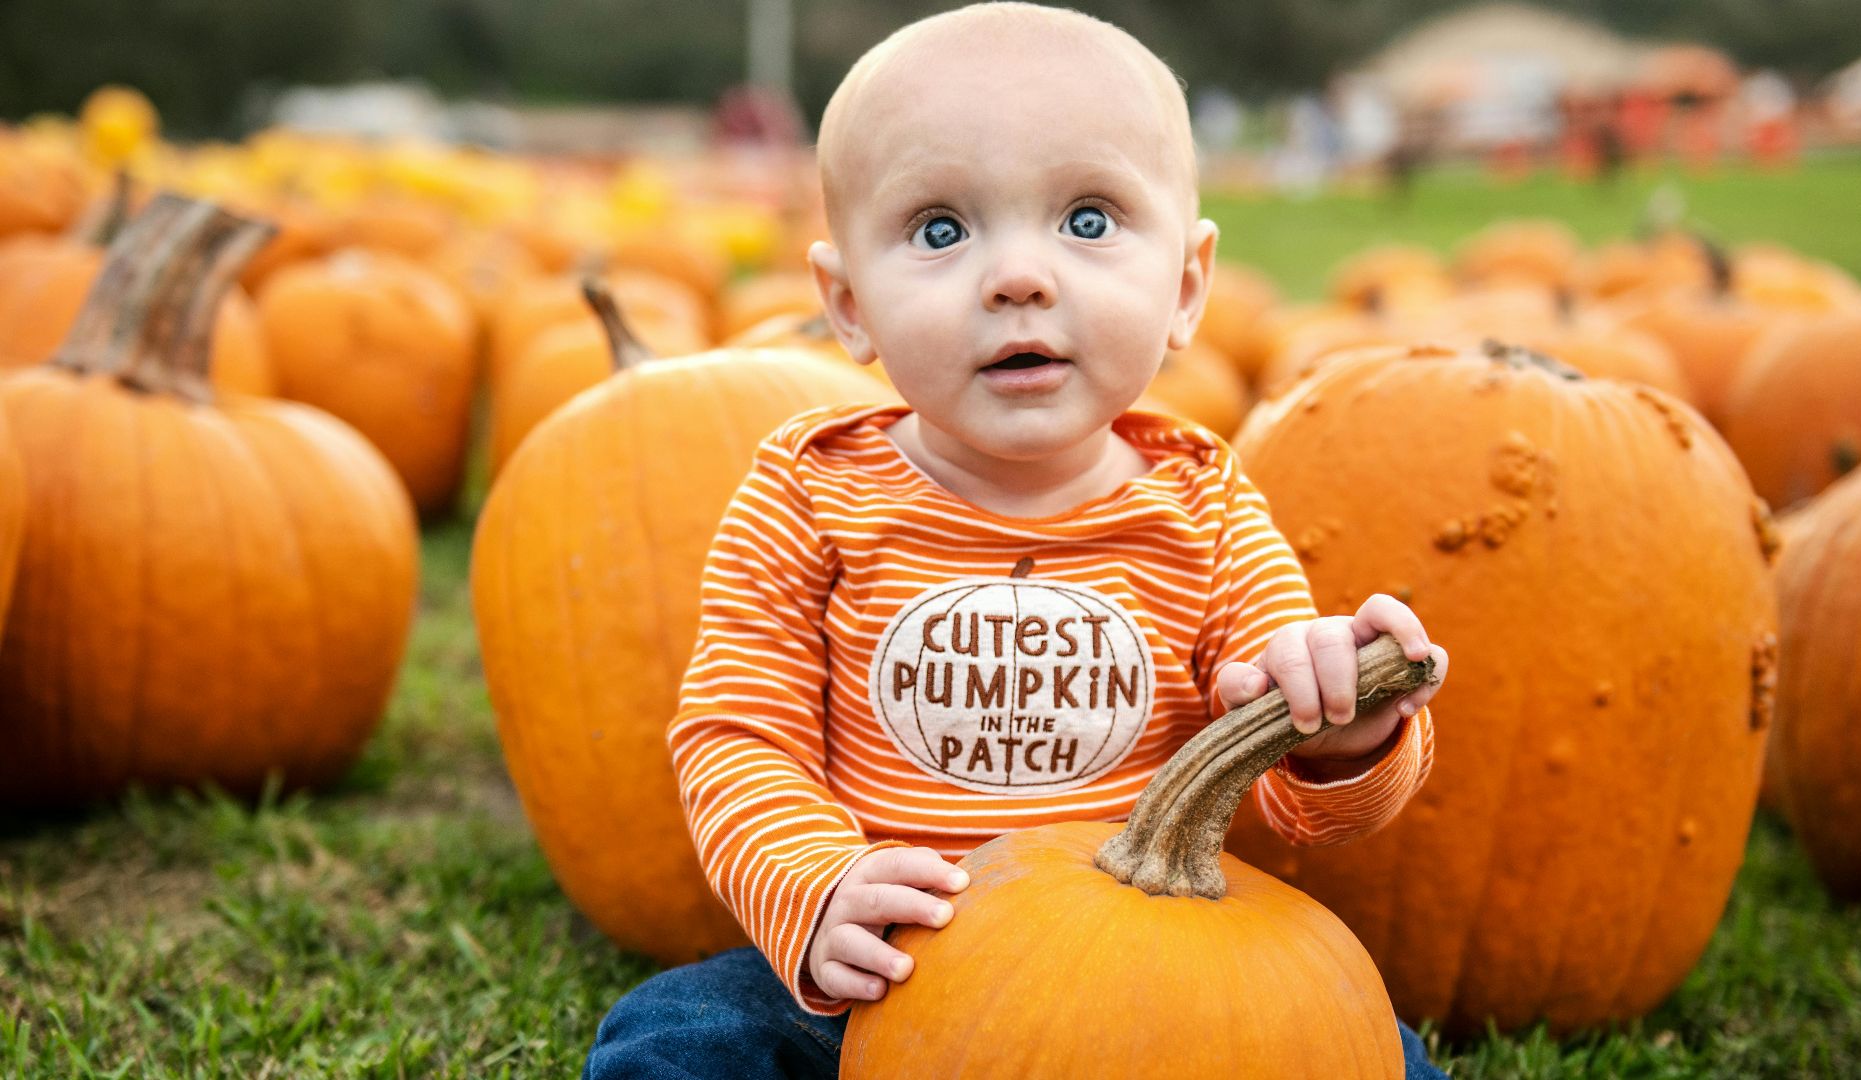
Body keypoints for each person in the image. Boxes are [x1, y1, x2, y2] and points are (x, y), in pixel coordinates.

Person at [584, 5, 1450, 1077]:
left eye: (1087, 220)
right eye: (941, 230)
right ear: (849, 306)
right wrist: (817, 889)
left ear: (1185, 286)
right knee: (675, 1041)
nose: (1018, 278)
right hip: (891, 963)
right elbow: (735, 739)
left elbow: (1293, 796)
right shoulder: (807, 494)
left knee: (1377, 1055)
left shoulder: (1207, 508)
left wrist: (1340, 734)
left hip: (1159, 969)